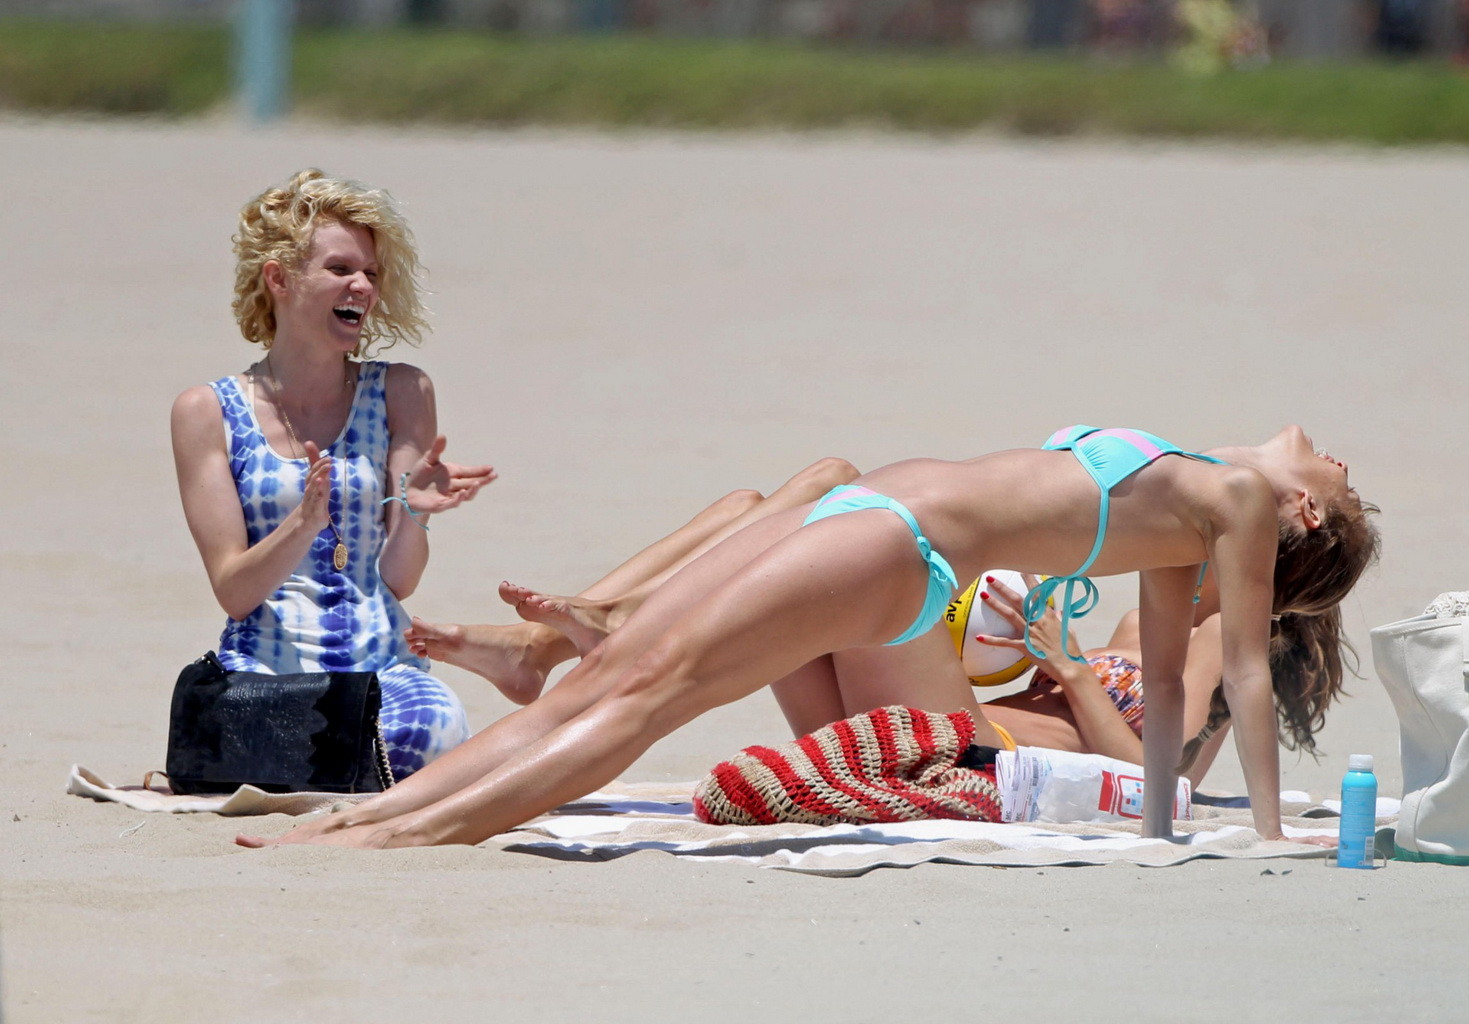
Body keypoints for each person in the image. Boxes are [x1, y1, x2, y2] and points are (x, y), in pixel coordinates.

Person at [239, 424, 1377, 848]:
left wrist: (1262, 828)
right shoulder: (1189, 525)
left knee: (642, 694)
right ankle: (381, 811)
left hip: (900, 553)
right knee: (621, 678)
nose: (1326, 442)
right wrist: (1174, 817)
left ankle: (407, 834)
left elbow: (1229, 684)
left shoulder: (1230, 501)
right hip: (873, 518)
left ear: (1303, 512)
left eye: (1339, 471)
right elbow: (1175, 704)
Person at [171, 169, 494, 781]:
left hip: (380, 666)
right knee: (279, 746)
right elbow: (234, 592)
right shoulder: (206, 412)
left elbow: (397, 580)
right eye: (342, 269)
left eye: (371, 273)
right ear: (280, 279)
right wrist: (302, 523)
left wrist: (416, 511)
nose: (363, 286)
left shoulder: (402, 391)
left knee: (427, 731)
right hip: (265, 674)